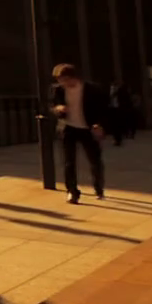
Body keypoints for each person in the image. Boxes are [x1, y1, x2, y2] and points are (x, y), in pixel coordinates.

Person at [50, 63, 107, 204]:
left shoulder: (91, 89)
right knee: (69, 161)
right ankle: (72, 191)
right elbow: (52, 105)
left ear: (72, 77)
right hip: (68, 127)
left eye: (63, 79)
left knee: (95, 160)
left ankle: (98, 188)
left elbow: (102, 108)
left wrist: (98, 124)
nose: (61, 83)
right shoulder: (58, 90)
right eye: (59, 80)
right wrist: (58, 109)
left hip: (88, 128)